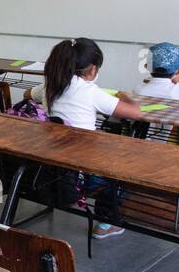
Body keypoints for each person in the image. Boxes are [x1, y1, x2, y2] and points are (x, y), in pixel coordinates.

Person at [29, 38, 145, 239]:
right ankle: (106, 223)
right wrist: (125, 96)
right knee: (125, 166)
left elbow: (27, 95)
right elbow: (136, 113)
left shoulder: (50, 85)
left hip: (48, 167)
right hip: (82, 177)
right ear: (92, 70)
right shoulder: (90, 92)